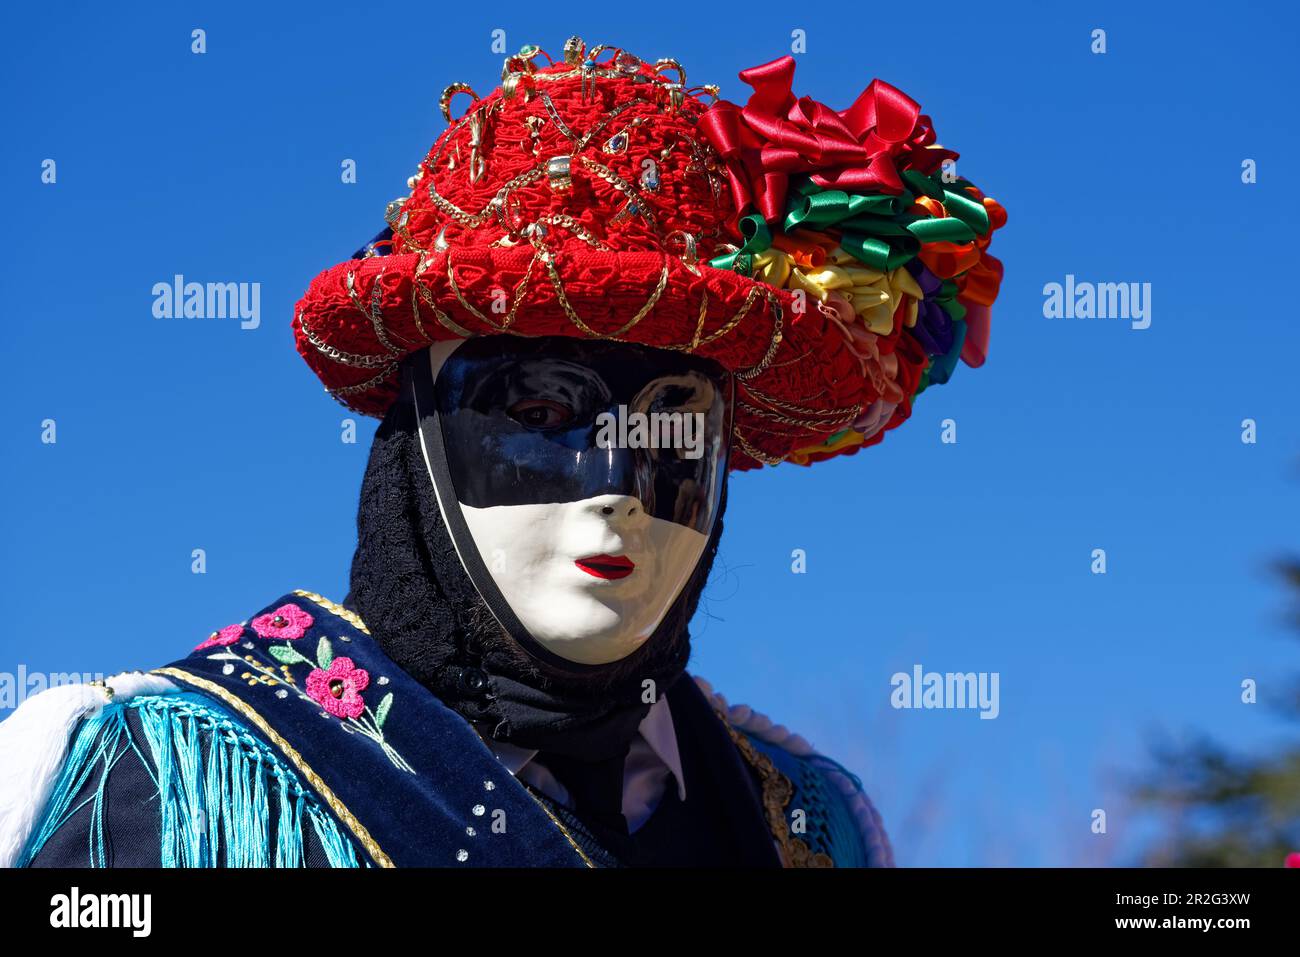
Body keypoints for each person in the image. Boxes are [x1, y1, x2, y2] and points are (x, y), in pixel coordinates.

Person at [0, 36, 1004, 868]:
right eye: (539, 412)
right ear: (415, 447)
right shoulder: (150, 790)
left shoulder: (811, 829)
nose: (616, 492)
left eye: (669, 427)